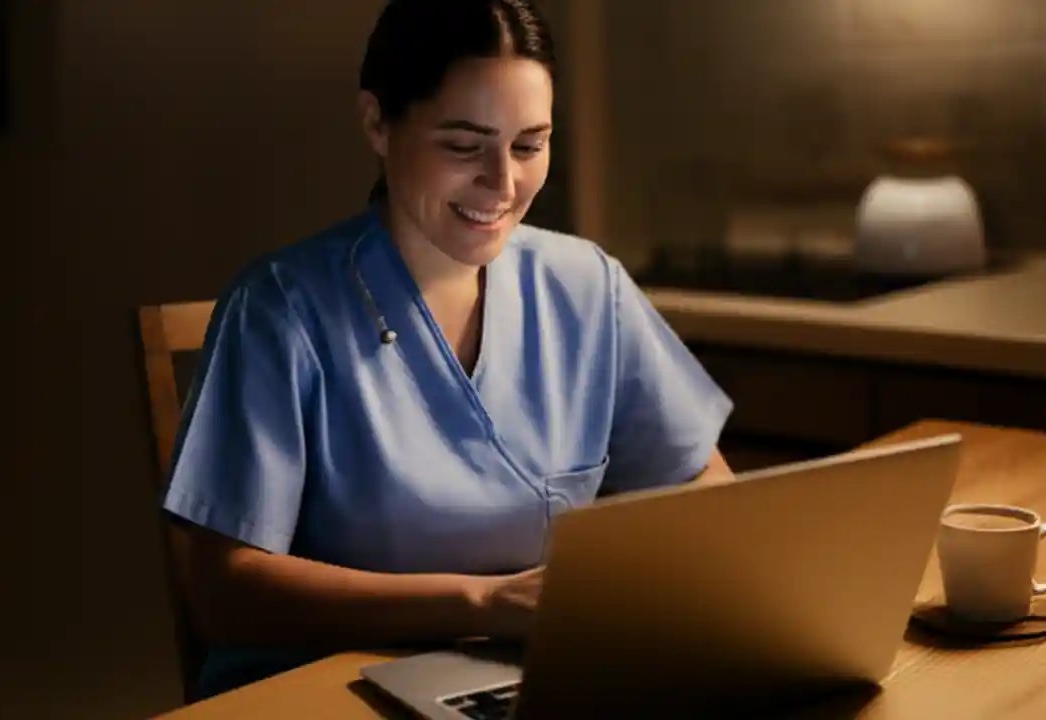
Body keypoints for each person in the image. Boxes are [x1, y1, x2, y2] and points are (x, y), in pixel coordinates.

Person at [162, 0, 734, 700]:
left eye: (529, 145)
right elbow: (226, 592)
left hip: (531, 680)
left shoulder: (586, 286)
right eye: (464, 146)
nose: (503, 183)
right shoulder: (280, 309)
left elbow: (705, 490)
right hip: (323, 691)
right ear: (378, 122)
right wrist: (480, 605)